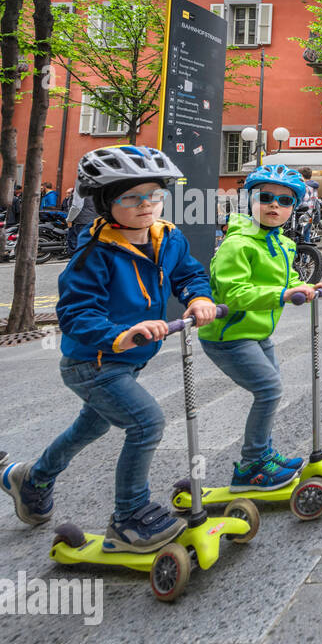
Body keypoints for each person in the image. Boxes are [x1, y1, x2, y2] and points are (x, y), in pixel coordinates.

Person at [1, 145, 217, 550]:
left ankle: (31, 480)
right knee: (146, 423)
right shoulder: (93, 252)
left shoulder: (168, 237)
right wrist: (120, 333)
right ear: (105, 202)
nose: (146, 205)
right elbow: (76, 314)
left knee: (91, 425)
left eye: (153, 195)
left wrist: (197, 298)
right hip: (93, 362)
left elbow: (189, 274)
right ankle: (130, 516)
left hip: (129, 361)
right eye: (131, 197)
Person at [197, 164, 322, 492]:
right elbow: (234, 292)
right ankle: (252, 465)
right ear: (250, 200)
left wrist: (309, 286)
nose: (274, 206)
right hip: (228, 335)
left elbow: (287, 280)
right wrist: (283, 295)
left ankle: (264, 454)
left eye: (284, 201)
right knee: (269, 390)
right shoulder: (237, 243)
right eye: (266, 197)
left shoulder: (283, 244)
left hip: (258, 333)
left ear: (294, 208)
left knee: (271, 389)